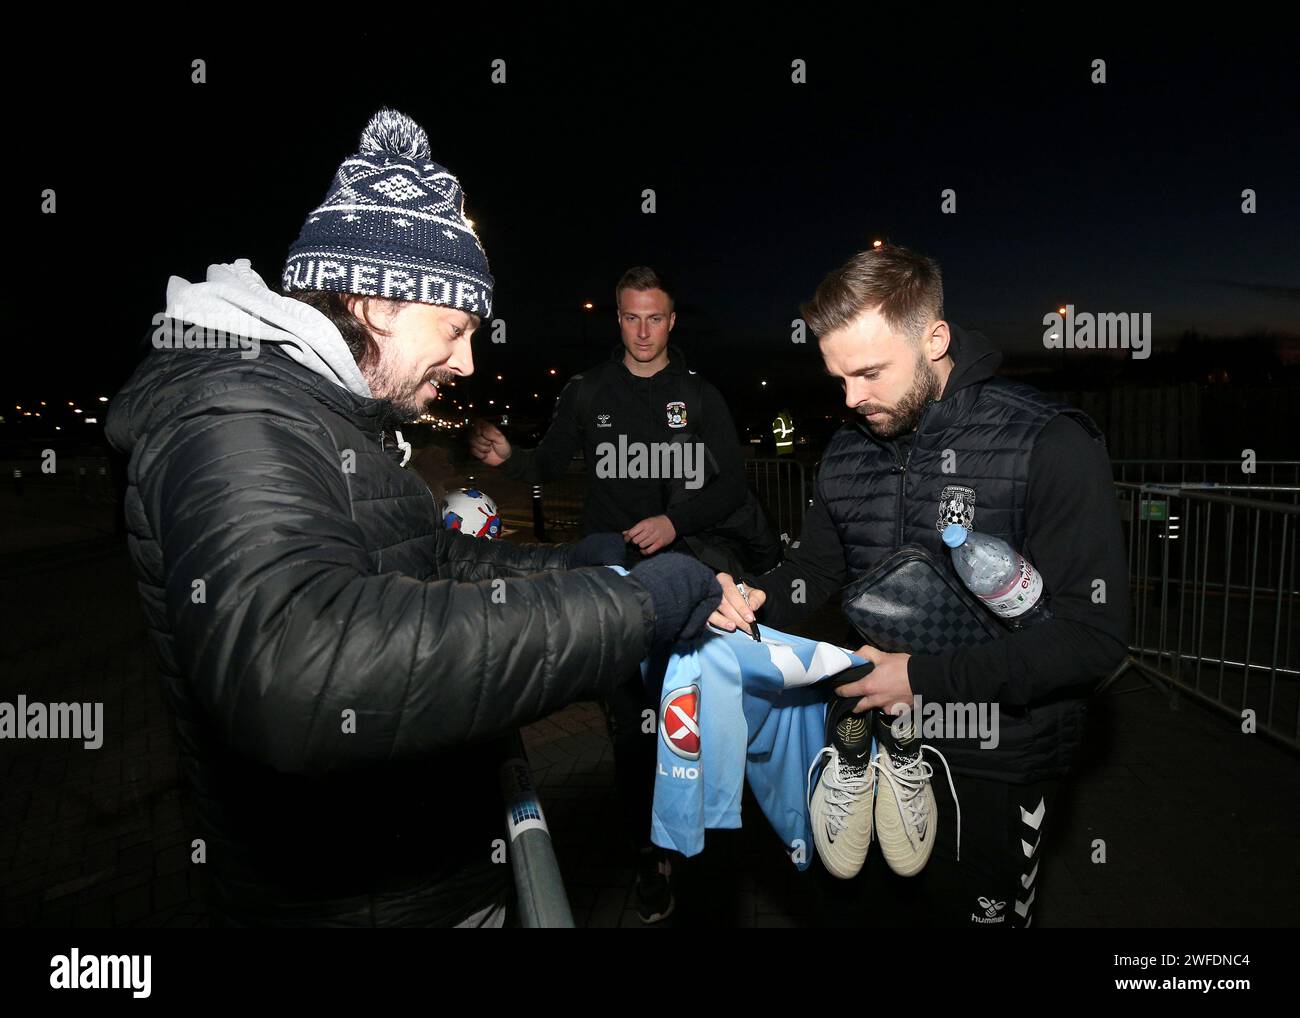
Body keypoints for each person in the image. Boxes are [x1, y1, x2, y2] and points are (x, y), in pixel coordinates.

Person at [105, 109, 722, 928]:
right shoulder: (237, 419)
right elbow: (298, 666)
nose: (467, 360)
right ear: (377, 302)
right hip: (355, 897)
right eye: (457, 328)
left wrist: (588, 564)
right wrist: (635, 609)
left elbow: (438, 568)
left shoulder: (334, 418)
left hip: (419, 871)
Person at [709, 244, 1129, 927]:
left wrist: (923, 678)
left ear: (934, 339)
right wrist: (756, 597)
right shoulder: (848, 448)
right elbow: (815, 570)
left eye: (870, 373)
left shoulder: (1049, 443)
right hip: (873, 745)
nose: (851, 399)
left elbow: (1093, 642)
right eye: (838, 377)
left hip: (1001, 755)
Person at [470, 266, 771, 921]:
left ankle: (711, 846)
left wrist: (675, 521)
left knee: (694, 721)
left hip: (687, 582)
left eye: (654, 317)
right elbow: (549, 465)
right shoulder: (588, 391)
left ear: (671, 322)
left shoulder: (699, 395)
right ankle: (650, 856)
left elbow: (730, 487)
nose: (643, 330)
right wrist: (508, 457)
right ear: (618, 319)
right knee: (634, 732)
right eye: (631, 317)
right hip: (613, 586)